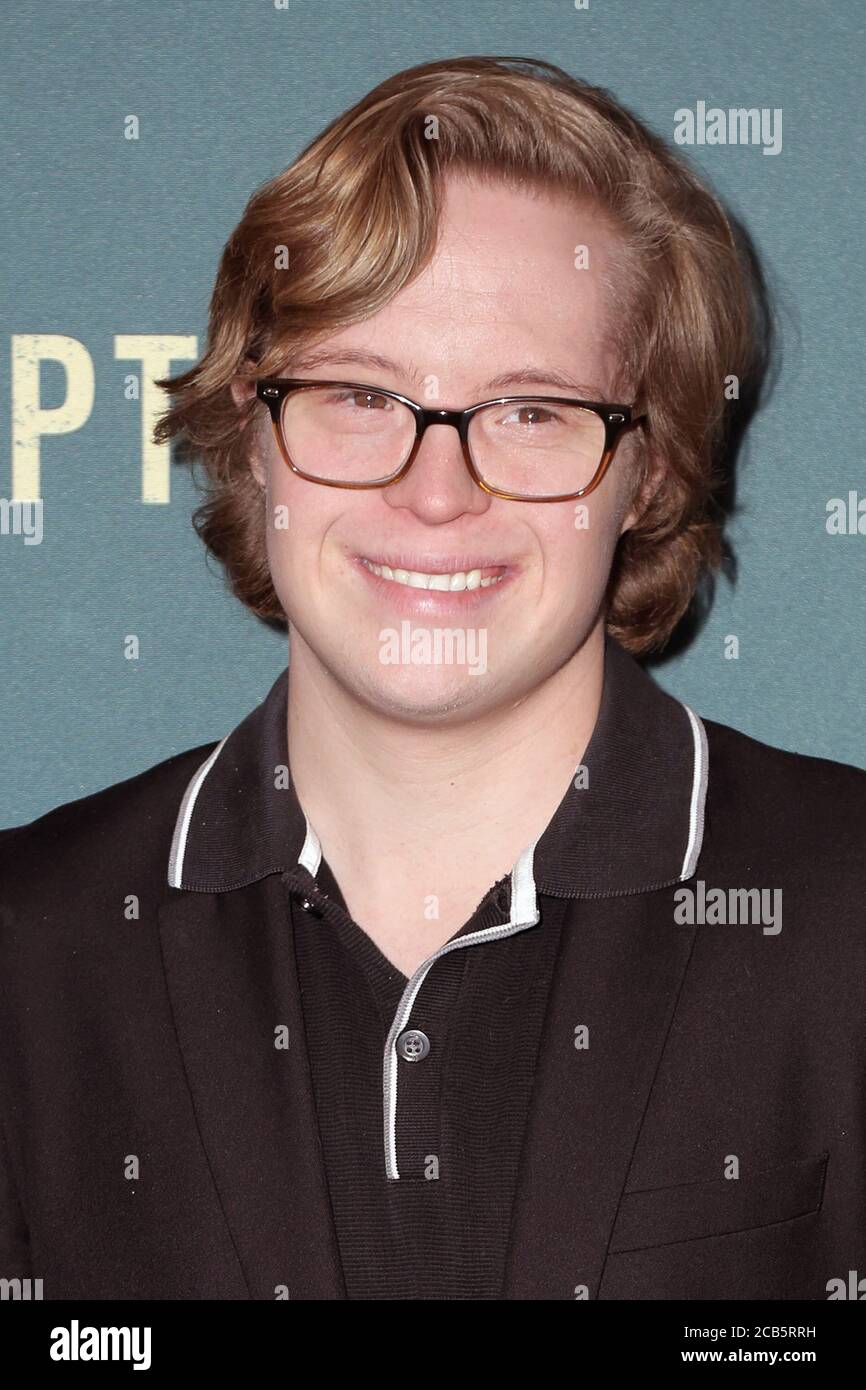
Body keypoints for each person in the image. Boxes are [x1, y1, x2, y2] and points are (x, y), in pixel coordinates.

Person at [1, 55, 863, 1302]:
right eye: (361, 393)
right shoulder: (32, 950)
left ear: (652, 471)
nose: (435, 491)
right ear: (254, 435)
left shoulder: (842, 917)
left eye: (529, 411)